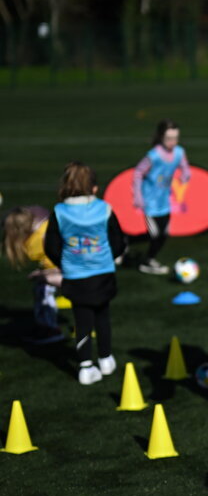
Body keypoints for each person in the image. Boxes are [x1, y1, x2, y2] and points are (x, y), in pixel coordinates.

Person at [43, 162, 126, 385]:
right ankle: (106, 358)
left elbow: (50, 246)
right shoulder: (104, 208)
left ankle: (85, 366)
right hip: (103, 273)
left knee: (82, 320)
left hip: (75, 275)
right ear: (95, 188)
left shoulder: (59, 212)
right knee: (102, 315)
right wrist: (106, 258)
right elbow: (118, 241)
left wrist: (67, 263)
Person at [133, 119, 191, 275]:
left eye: (175, 138)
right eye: (169, 138)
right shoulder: (154, 156)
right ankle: (145, 260)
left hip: (164, 201)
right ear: (161, 137)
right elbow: (138, 172)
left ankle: (146, 256)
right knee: (154, 234)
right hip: (150, 202)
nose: (173, 142)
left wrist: (186, 174)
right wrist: (138, 196)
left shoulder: (179, 152)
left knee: (164, 234)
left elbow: (184, 166)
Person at [2, 205, 65, 344]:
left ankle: (51, 330)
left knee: (43, 290)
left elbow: (61, 264)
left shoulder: (42, 238)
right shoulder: (39, 228)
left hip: (69, 273)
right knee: (40, 288)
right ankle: (45, 326)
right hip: (60, 269)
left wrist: (44, 273)